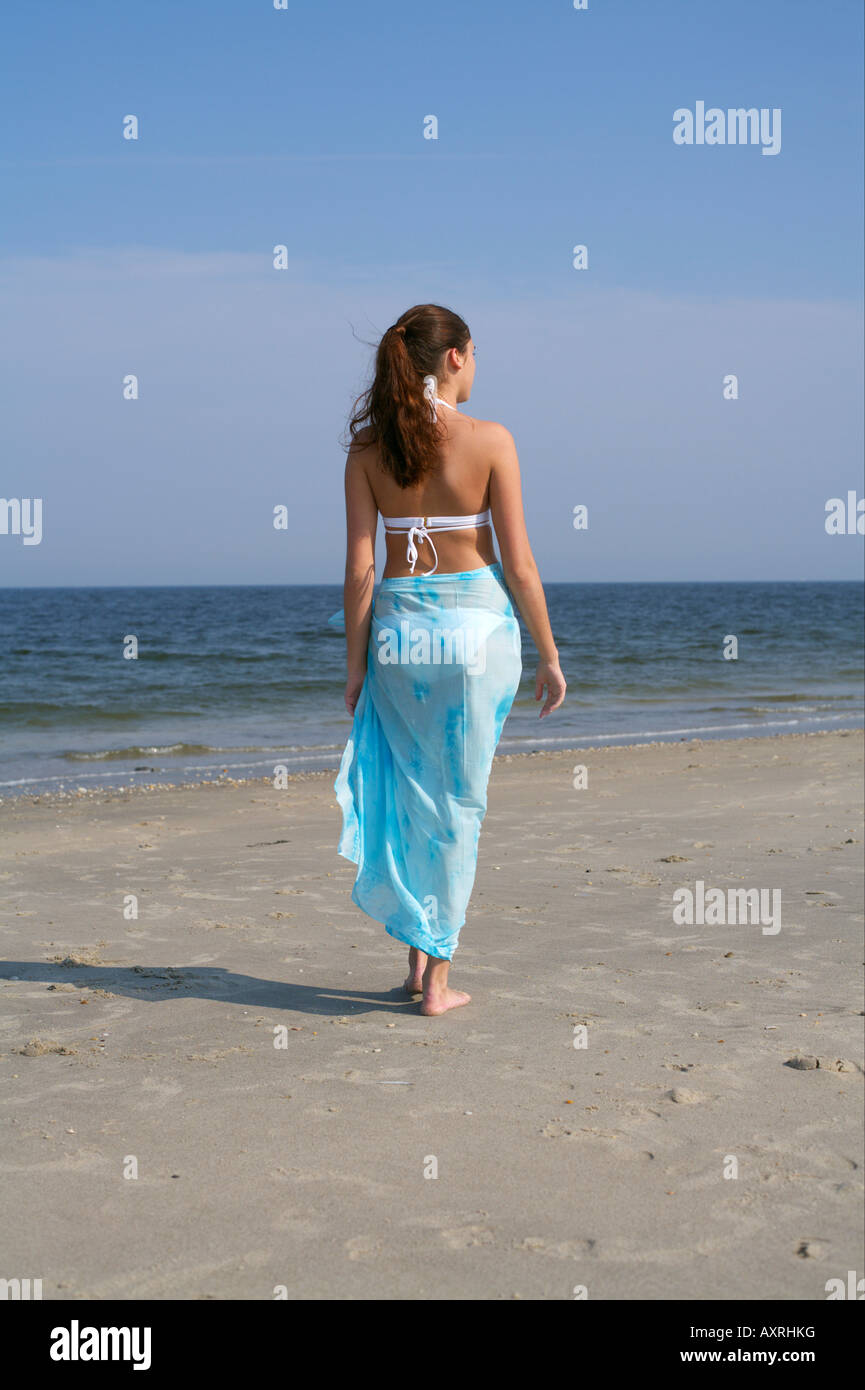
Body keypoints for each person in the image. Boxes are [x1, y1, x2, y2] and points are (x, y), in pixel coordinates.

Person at [335, 303, 565, 1015]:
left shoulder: (369, 452)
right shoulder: (490, 440)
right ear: (455, 357)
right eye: (475, 353)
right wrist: (550, 656)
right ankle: (436, 982)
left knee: (410, 794)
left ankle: (414, 958)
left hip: (399, 633)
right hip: (474, 635)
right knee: (457, 803)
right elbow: (519, 565)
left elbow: (358, 566)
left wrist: (354, 663)